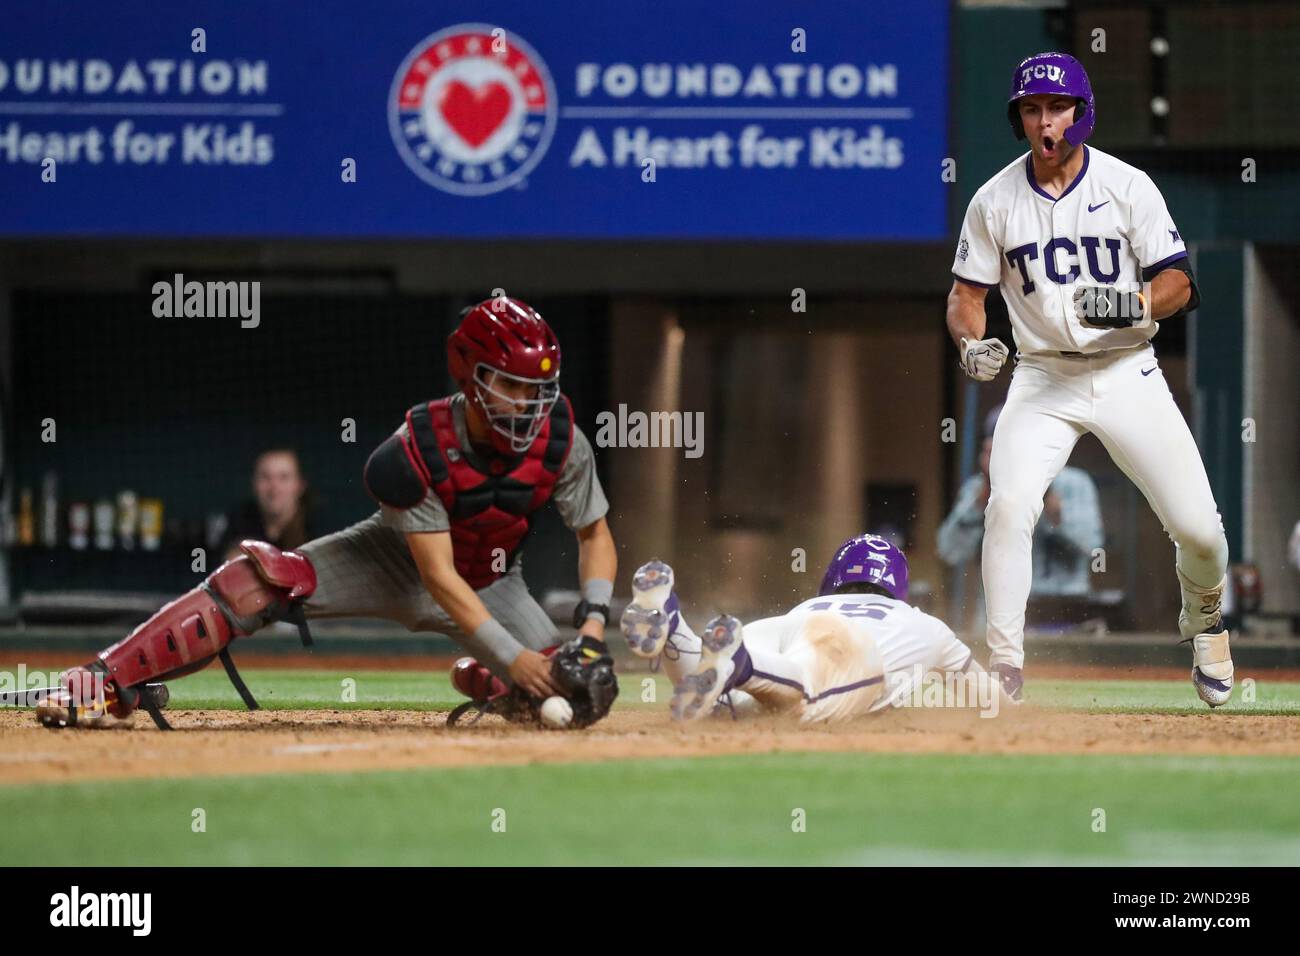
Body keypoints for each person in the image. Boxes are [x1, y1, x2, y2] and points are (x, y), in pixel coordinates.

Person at [37, 296, 618, 728]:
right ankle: (101, 681)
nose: (529, 404)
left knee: (579, 691)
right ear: (469, 374)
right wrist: (513, 655)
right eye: (511, 386)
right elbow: (436, 579)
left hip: (492, 581)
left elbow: (594, 532)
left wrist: (589, 631)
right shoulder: (418, 445)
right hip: (392, 559)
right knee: (253, 583)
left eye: (535, 390)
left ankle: (482, 679)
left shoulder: (561, 439)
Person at [946, 52, 1231, 706]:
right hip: (1043, 376)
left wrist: (1132, 303)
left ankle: (1207, 622)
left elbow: (1181, 283)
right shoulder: (993, 199)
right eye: (1031, 108)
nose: (1045, 121)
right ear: (1019, 118)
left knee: (1200, 530)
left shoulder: (1128, 186)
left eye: (1056, 106)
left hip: (1128, 369)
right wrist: (970, 341)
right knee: (1009, 505)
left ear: (1082, 110)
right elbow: (966, 294)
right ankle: (1006, 666)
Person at [620, 534, 999, 724]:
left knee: (721, 709)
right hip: (846, 647)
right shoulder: (924, 625)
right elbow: (989, 697)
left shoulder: (810, 603)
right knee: (805, 702)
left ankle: (674, 625)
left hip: (784, 628)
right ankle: (740, 662)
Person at [939, 405, 1103, 612]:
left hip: (1064, 611)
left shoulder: (1073, 483)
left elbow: (1092, 547)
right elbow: (949, 551)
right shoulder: (978, 489)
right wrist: (988, 490)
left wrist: (1046, 492)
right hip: (1001, 611)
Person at [219, 448, 316, 561]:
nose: (274, 488)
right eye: (265, 477)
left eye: (283, 478)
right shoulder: (237, 523)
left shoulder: (318, 532)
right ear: (254, 484)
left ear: (300, 485)